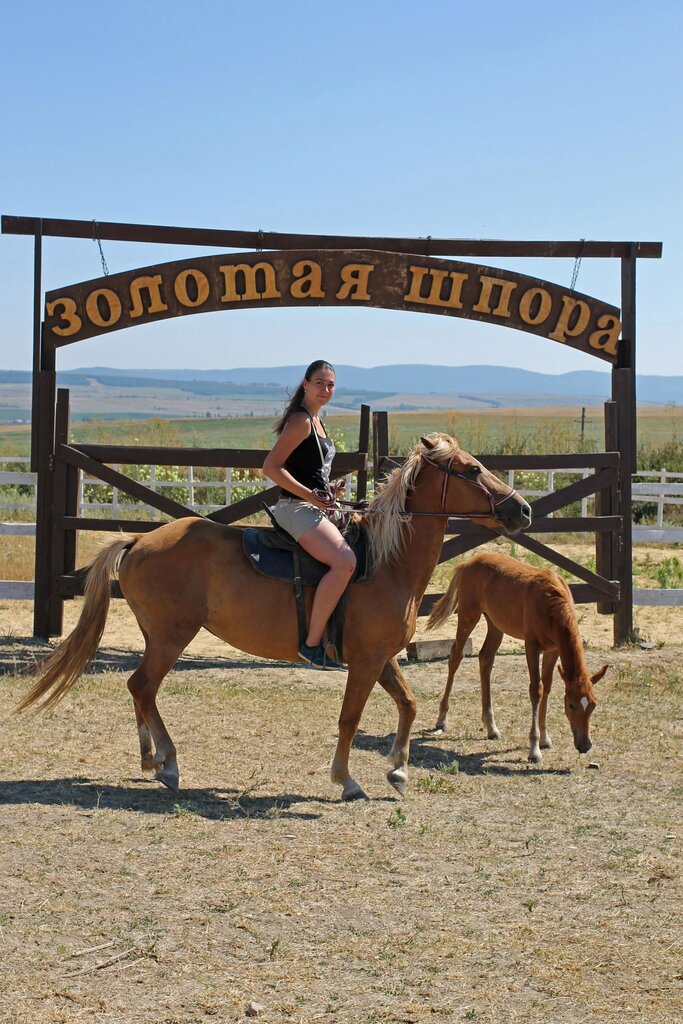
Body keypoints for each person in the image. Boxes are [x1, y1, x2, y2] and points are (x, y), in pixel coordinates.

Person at [263, 360, 356, 670]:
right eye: (319, 383)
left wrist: (328, 490)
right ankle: (312, 645)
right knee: (345, 562)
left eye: (330, 385)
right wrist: (310, 496)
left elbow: (308, 471)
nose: (325, 389)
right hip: (295, 508)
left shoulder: (317, 421)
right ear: (305, 384)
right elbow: (271, 468)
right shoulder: (301, 421)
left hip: (312, 505)